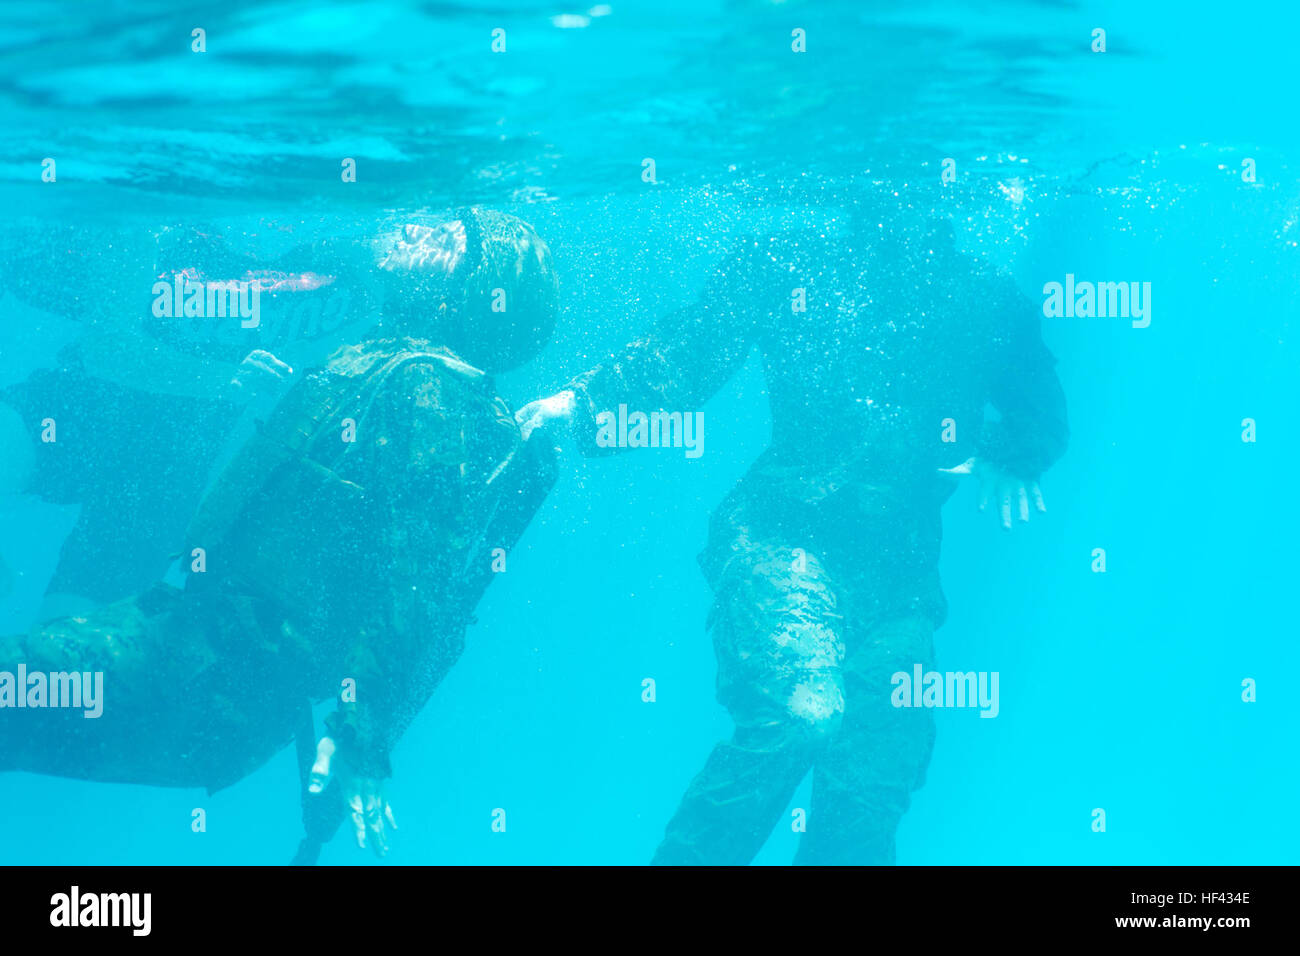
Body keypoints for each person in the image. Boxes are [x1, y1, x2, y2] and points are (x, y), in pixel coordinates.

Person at [0, 208, 560, 863]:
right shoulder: (399, 363)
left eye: (449, 235)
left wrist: (360, 727)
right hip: (199, 649)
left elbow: (419, 576)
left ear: (464, 290)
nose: (421, 226)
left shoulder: (430, 387)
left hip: (213, 678)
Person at [516, 211, 1069, 865]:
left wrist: (1018, 451)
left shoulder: (981, 295)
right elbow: (693, 349)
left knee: (872, 780)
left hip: (900, 575)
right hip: (777, 540)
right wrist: (587, 404)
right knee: (799, 715)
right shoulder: (791, 264)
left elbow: (1040, 402)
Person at [0, 220, 381, 613]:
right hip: (97, 407)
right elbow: (105, 348)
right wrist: (227, 379)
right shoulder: (153, 224)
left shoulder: (362, 257)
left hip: (181, 459)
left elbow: (327, 376)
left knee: (74, 641)